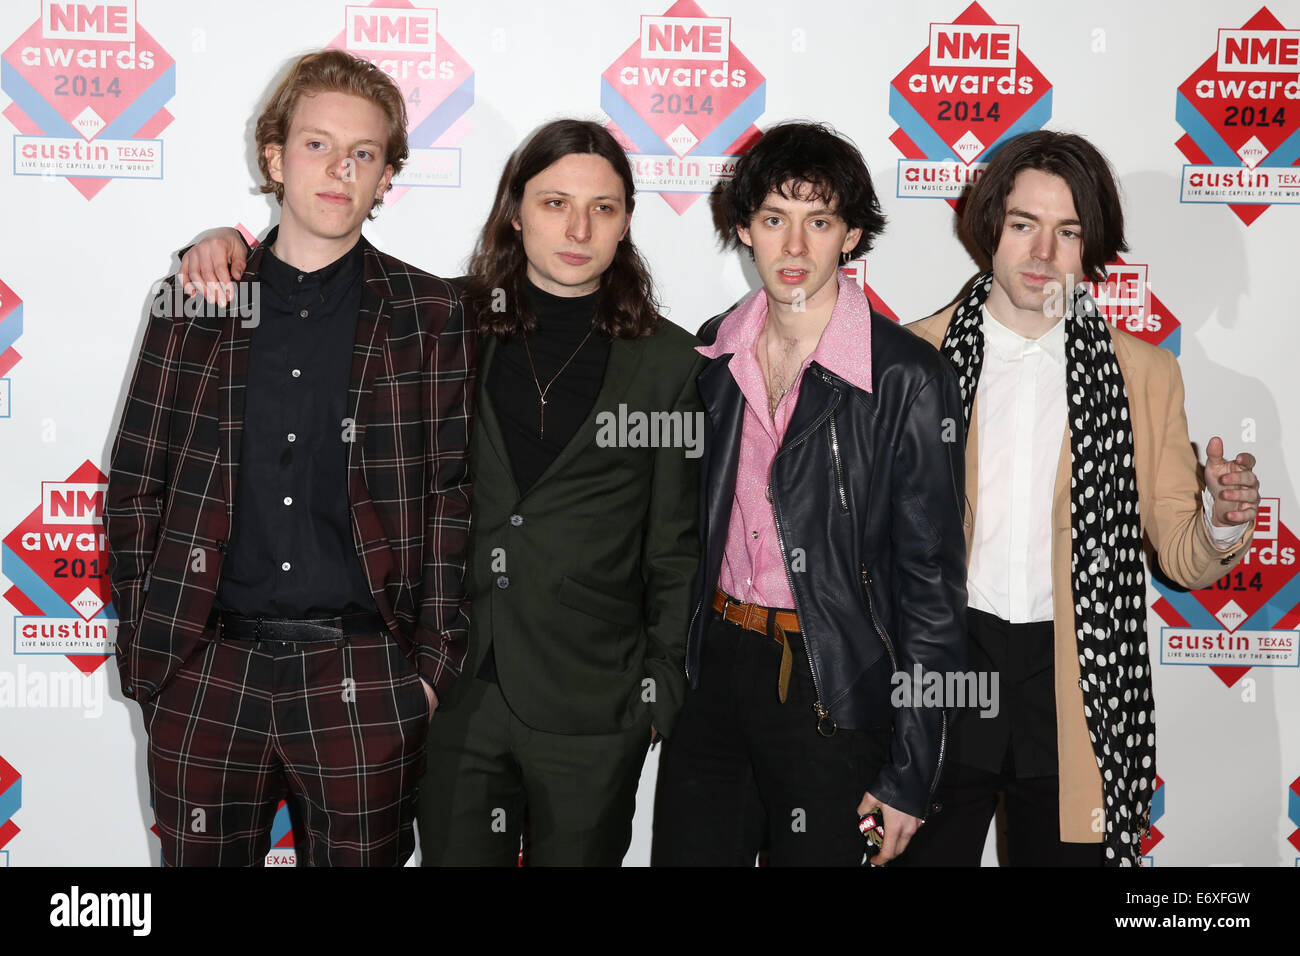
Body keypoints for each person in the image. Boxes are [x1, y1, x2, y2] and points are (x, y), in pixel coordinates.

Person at [177, 119, 704, 866]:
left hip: (595, 703)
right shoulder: (441, 320)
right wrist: (219, 242)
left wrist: (657, 693)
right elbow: (317, 277)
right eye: (555, 203)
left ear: (626, 223)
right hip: (453, 690)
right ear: (515, 212)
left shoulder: (667, 362)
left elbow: (676, 545)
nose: (579, 227)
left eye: (605, 208)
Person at [105, 49, 473, 866]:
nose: (339, 169)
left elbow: (452, 498)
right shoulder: (197, 303)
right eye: (316, 145)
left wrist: (425, 674)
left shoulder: (434, 314)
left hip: (365, 679)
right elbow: (136, 485)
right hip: (206, 672)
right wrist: (154, 658)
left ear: (387, 178)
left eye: (364, 153)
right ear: (273, 157)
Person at [899, 130, 1260, 867]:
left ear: (1090, 245)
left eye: (1067, 232)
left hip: (1076, 682)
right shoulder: (910, 355)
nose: (1042, 254)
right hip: (938, 664)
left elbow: (1181, 553)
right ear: (990, 226)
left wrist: (1223, 523)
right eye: (1025, 225)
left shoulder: (1145, 373)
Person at [651, 122, 968, 866]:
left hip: (835, 681)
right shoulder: (712, 352)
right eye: (773, 219)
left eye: (818, 222)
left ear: (851, 236)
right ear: (744, 228)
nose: (794, 248)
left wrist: (912, 771)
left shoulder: (907, 379)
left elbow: (931, 590)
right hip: (718, 670)